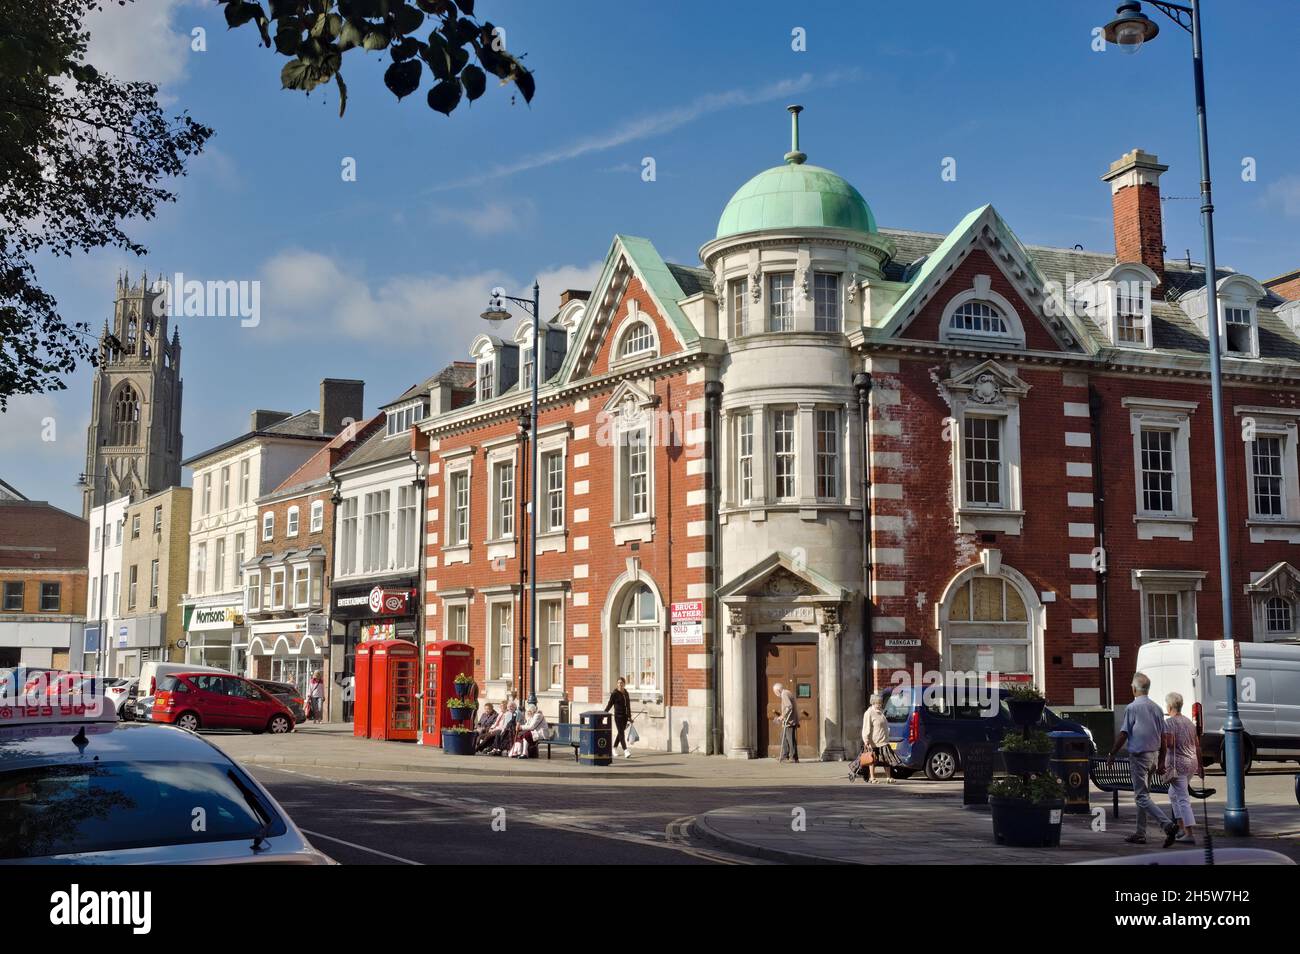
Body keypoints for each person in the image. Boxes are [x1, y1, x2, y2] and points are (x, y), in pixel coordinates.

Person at [1107, 671, 1180, 847]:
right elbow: (1163, 738)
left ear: (1134, 689)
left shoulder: (1132, 708)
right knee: (1144, 795)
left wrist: (1112, 753)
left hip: (1139, 757)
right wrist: (1161, 761)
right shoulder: (1157, 708)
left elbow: (1124, 733)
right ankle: (1140, 833)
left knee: (1141, 797)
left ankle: (1167, 825)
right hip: (1154, 756)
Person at [1163, 691, 1203, 845]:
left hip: (1178, 765)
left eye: (1167, 703)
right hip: (1191, 763)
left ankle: (1189, 833)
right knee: (1173, 794)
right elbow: (1197, 746)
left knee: (1182, 798)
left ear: (1170, 705)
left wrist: (1160, 742)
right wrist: (1200, 766)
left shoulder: (1169, 723)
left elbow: (1170, 743)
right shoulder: (1189, 723)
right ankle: (1180, 828)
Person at [861, 692, 896, 783]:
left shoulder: (881, 713)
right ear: (872, 703)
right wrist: (866, 740)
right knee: (872, 760)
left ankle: (889, 777)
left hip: (883, 740)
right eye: (877, 703)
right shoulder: (869, 713)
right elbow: (866, 727)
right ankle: (872, 777)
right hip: (874, 741)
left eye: (880, 703)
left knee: (887, 760)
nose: (879, 705)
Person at [604, 677, 634, 759]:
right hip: (618, 716)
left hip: (625, 716)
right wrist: (604, 713)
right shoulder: (615, 693)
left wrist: (629, 717)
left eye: (621, 683)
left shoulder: (626, 693)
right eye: (618, 683)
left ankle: (614, 747)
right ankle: (625, 750)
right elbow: (610, 704)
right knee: (621, 733)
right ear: (617, 684)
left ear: (624, 684)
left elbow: (628, 706)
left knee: (620, 733)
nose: (620, 684)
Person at [774, 682, 799, 763]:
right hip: (789, 721)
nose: (775, 694)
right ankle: (785, 756)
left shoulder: (784, 694)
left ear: (778, 690)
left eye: (775, 692)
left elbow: (789, 707)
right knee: (783, 737)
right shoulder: (787, 692)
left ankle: (793, 757)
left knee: (790, 739)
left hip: (790, 721)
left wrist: (782, 717)